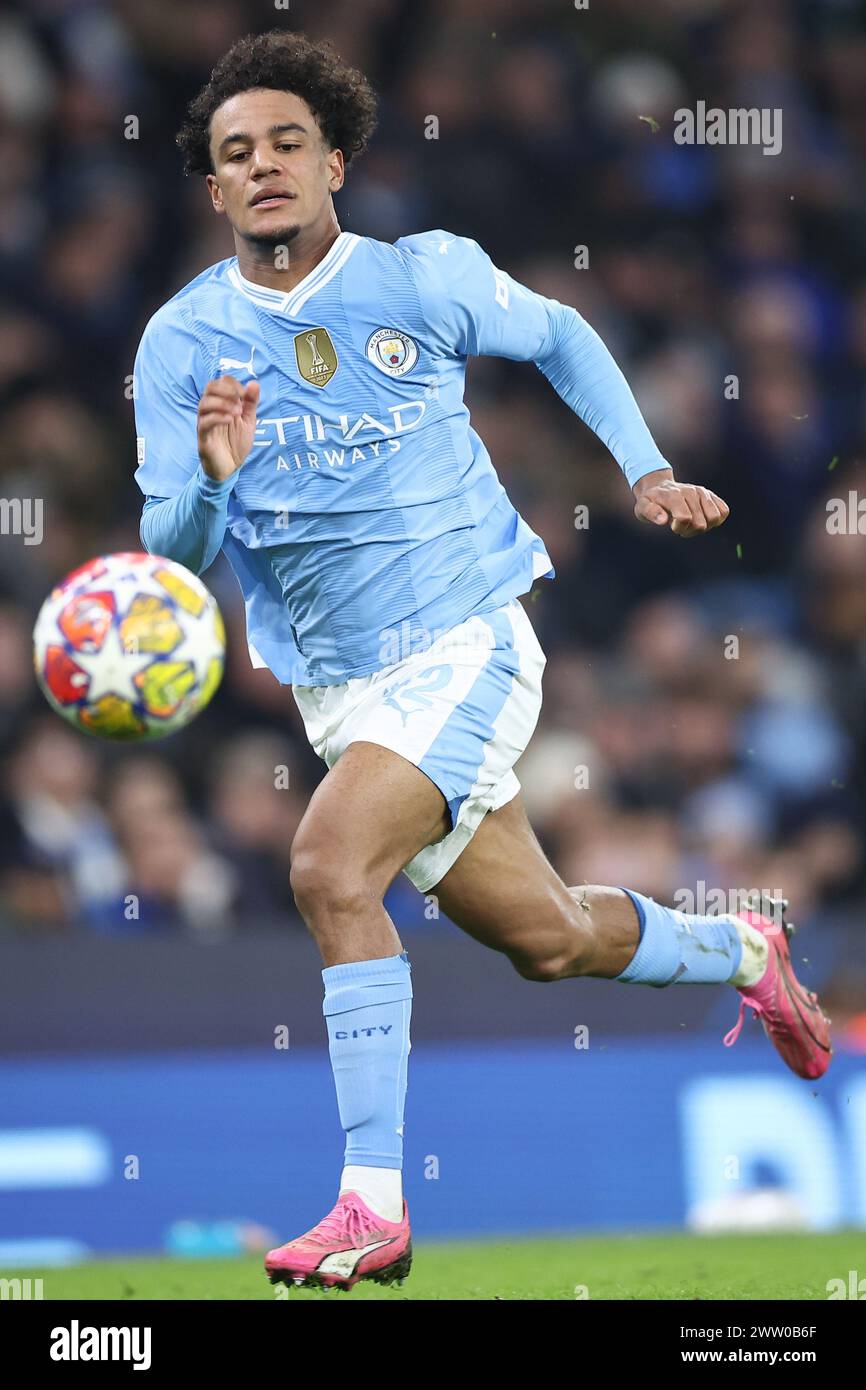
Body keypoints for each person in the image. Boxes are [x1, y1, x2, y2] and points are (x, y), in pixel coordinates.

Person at [133, 30, 831, 1292]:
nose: (264, 164)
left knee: (328, 865)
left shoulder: (423, 277)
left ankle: (371, 1205)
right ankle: (745, 953)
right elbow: (170, 551)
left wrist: (645, 471)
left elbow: (561, 336)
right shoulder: (180, 344)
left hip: (466, 640)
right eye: (236, 152)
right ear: (215, 185)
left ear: (335, 161)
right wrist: (215, 480)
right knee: (548, 939)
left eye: (288, 141)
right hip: (338, 692)